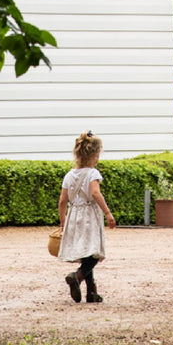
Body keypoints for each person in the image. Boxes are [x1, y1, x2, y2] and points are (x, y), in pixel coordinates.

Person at [57, 130, 116, 303]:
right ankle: (77, 276)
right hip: (89, 215)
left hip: (74, 215)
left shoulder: (69, 175)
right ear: (94, 155)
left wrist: (63, 219)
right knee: (94, 252)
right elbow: (95, 193)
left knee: (86, 252)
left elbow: (62, 200)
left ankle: (91, 292)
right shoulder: (92, 173)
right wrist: (107, 212)